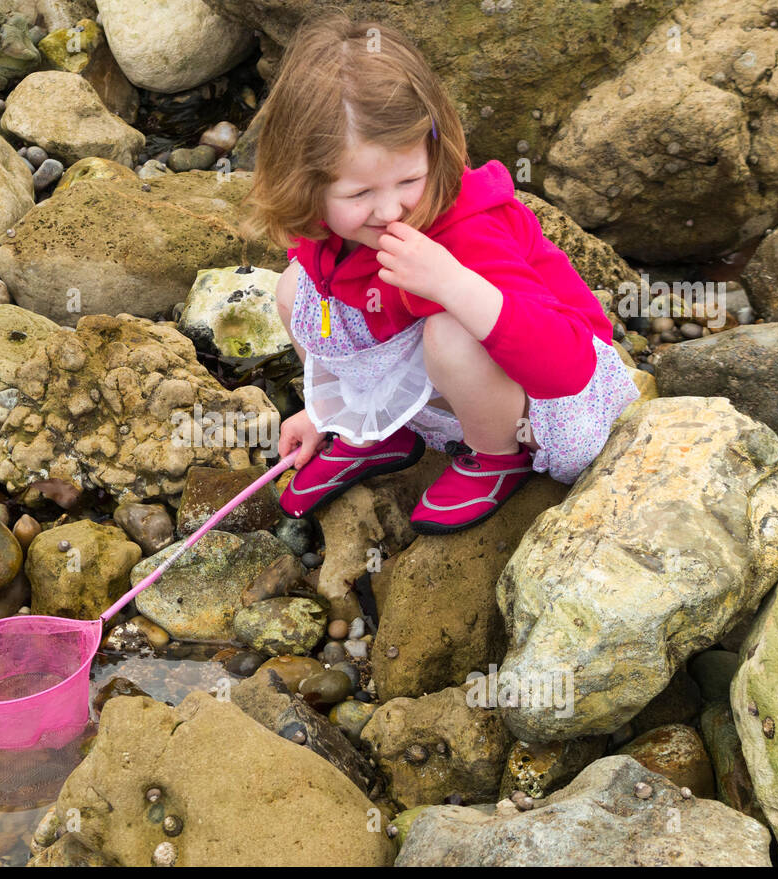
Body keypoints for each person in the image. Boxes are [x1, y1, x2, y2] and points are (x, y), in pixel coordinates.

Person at [239, 11, 640, 533]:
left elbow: (567, 367)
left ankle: (494, 455)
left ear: (434, 149)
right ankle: (373, 432)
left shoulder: (469, 231)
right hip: (431, 368)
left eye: (410, 179)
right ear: (305, 185)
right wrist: (330, 408)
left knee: (452, 330)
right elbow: (335, 305)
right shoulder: (328, 227)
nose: (390, 211)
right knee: (298, 289)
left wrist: (452, 282)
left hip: (548, 395)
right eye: (359, 194)